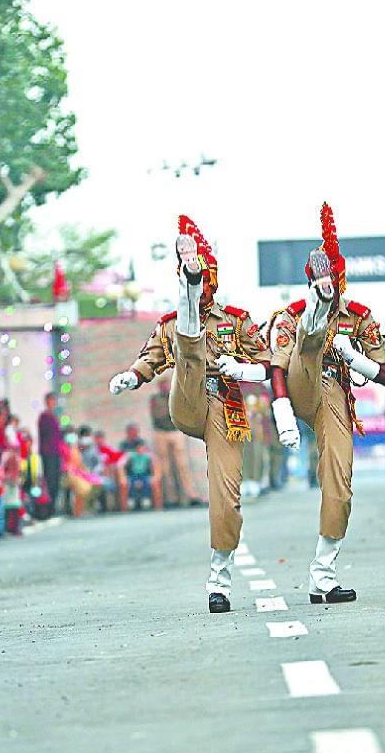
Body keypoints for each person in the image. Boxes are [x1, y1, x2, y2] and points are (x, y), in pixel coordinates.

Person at [108, 215, 272, 614]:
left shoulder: (236, 320)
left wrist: (245, 370)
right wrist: (132, 376)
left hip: (225, 408)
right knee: (187, 343)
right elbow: (150, 358)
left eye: (200, 276)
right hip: (187, 398)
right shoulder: (169, 325)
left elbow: (268, 362)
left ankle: (219, 580)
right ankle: (188, 291)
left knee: (227, 498)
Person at [265, 202, 385, 605]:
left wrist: (353, 357)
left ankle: (323, 574)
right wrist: (283, 414)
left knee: (340, 480)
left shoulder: (359, 317)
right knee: (308, 342)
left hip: (334, 392)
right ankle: (317, 319)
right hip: (302, 381)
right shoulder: (288, 317)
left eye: (332, 282)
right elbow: (277, 368)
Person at [150, 376, 203, 507]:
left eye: (166, 384)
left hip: (175, 431)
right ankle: (171, 498)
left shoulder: (177, 395)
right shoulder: (155, 399)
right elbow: (158, 415)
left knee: (182, 465)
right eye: (163, 384)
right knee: (165, 467)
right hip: (161, 432)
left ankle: (191, 495)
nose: (165, 386)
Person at [36, 393, 62, 520]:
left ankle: (53, 508)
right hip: (48, 453)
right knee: (50, 481)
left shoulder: (54, 417)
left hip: (56, 453)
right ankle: (48, 509)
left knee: (56, 481)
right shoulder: (44, 417)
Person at [125, 441, 155, 509]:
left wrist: (151, 474)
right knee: (131, 483)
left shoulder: (147, 457)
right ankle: (131, 499)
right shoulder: (131, 457)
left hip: (144, 474)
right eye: (139, 448)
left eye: (142, 448)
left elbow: (150, 467)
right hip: (134, 475)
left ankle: (146, 498)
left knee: (146, 483)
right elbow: (128, 467)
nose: (140, 450)